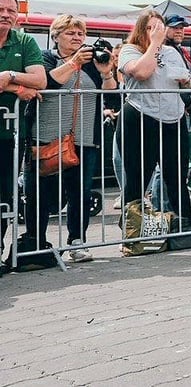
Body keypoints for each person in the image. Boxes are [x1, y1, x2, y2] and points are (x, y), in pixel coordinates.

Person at [22, 15, 118, 265]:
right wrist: (74, 63)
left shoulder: (91, 64)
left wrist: (106, 73)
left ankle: (78, 241)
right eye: (70, 33)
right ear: (56, 36)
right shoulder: (45, 58)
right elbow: (48, 82)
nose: (77, 38)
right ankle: (36, 242)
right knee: (40, 193)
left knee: (80, 193)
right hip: (46, 138)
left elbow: (111, 97)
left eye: (80, 34)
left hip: (84, 138)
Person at [117, 9, 191, 250]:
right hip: (140, 116)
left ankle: (185, 231)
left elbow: (185, 79)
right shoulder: (129, 50)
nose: (157, 32)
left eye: (160, 28)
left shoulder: (172, 52)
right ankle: (133, 238)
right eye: (151, 28)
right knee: (137, 179)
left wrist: (186, 81)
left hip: (172, 119)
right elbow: (142, 72)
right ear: (141, 29)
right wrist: (154, 44)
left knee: (176, 178)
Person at [0, 0, 46, 261]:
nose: (6, 15)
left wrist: (8, 76)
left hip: (9, 136)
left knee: (5, 195)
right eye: (1, 9)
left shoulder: (25, 40)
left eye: (11, 11)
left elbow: (40, 80)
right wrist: (18, 86)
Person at [165, 15, 191, 126]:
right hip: (173, 108)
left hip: (187, 107)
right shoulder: (163, 50)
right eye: (175, 28)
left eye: (181, 28)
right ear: (164, 28)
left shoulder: (181, 50)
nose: (179, 31)